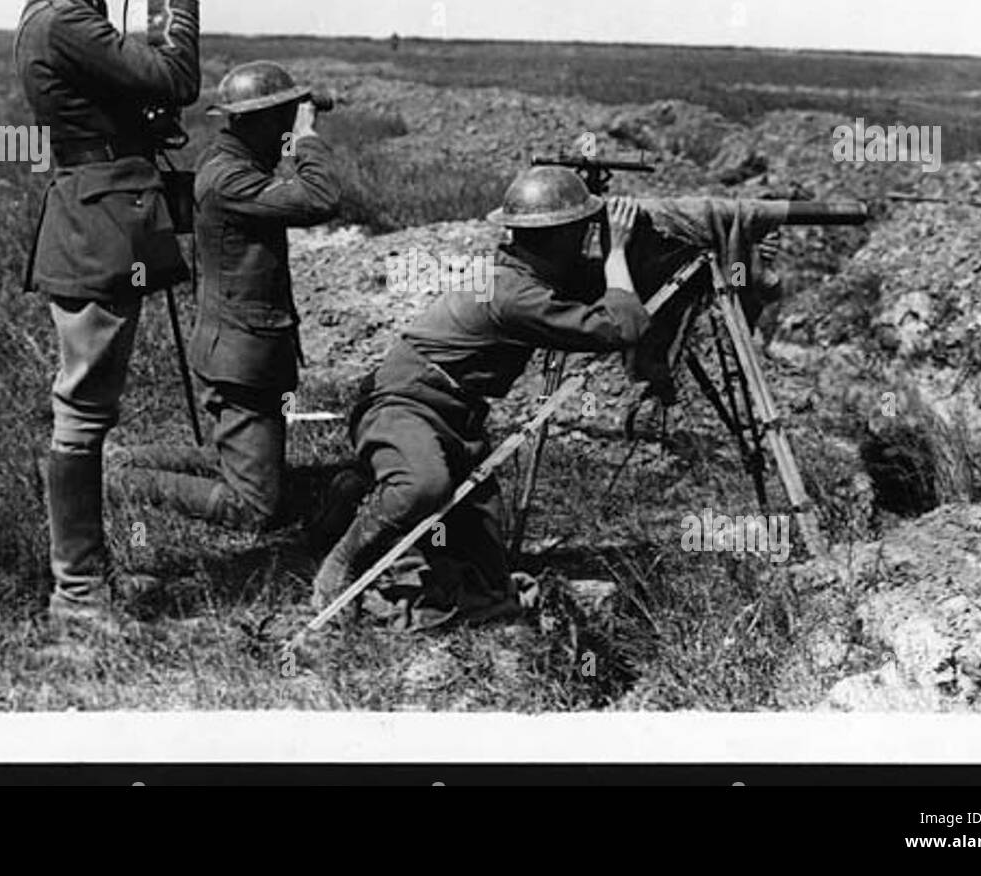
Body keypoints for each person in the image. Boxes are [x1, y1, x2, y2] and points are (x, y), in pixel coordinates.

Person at [312, 166, 649, 631]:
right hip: (402, 405)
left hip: (453, 421)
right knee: (423, 487)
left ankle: (360, 493)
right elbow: (623, 327)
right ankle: (341, 564)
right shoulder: (513, 295)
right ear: (561, 237)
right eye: (580, 231)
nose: (586, 240)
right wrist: (616, 255)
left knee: (489, 573)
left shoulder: (521, 271)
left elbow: (595, 292)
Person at [15, 0, 200, 627]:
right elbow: (176, 78)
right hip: (96, 226)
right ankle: (79, 596)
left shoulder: (70, 10)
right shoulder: (63, 19)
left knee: (87, 406)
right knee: (83, 410)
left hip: (101, 215)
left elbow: (138, 93)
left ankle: (82, 585)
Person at [109, 61, 341, 532]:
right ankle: (118, 481)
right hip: (242, 357)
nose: (287, 132)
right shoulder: (229, 178)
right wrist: (307, 138)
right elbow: (321, 199)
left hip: (243, 350)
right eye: (282, 119)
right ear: (259, 121)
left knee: (234, 457)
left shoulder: (235, 163)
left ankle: (120, 457)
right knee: (256, 509)